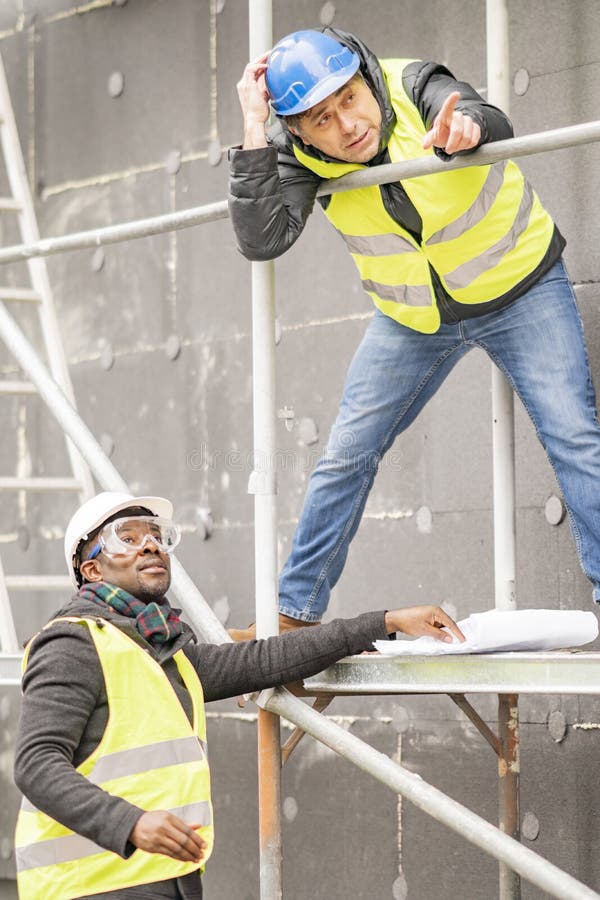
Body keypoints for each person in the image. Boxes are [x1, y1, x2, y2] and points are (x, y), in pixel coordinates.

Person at [228, 26, 600, 636]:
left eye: (349, 98)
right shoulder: (296, 155)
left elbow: (485, 116)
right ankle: (292, 620)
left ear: (364, 78)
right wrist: (252, 130)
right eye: (322, 119)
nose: (347, 125)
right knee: (345, 457)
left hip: (521, 289)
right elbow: (262, 238)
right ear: (294, 130)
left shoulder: (412, 83)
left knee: (575, 441)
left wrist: (468, 131)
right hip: (413, 320)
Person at [13, 491, 464, 900]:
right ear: (91, 569)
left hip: (160, 877)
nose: (150, 545)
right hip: (91, 885)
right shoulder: (74, 641)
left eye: (157, 536)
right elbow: (36, 762)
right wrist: (129, 823)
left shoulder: (163, 653)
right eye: (125, 538)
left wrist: (383, 621)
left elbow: (264, 660)